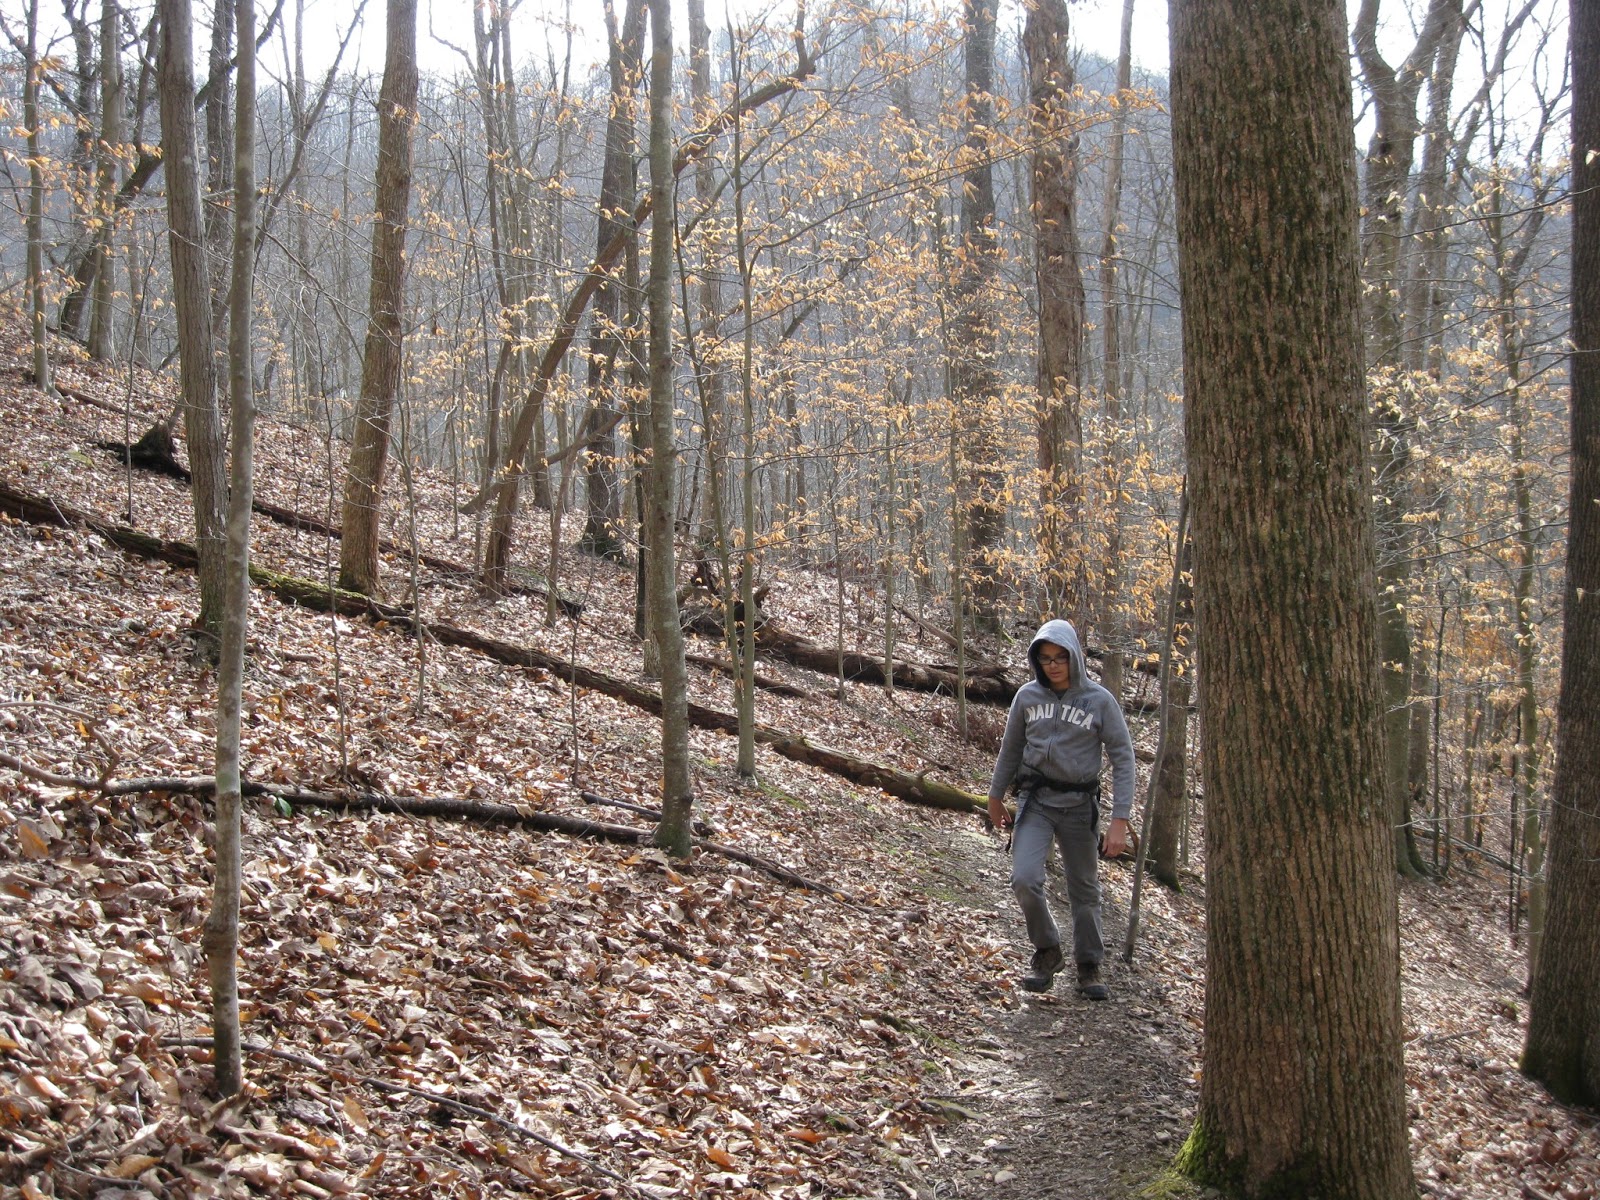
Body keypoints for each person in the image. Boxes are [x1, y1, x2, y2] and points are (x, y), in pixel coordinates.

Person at [986, 619, 1135, 1001]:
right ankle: (1047, 950)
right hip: (1036, 802)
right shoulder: (1027, 697)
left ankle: (1089, 964)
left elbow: (1123, 757)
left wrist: (1119, 820)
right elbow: (1010, 748)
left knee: (1084, 889)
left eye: (1060, 657)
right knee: (1024, 878)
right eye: (1045, 658)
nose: (1053, 665)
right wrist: (995, 795)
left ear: (1074, 657)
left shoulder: (1099, 701)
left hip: (1080, 807)